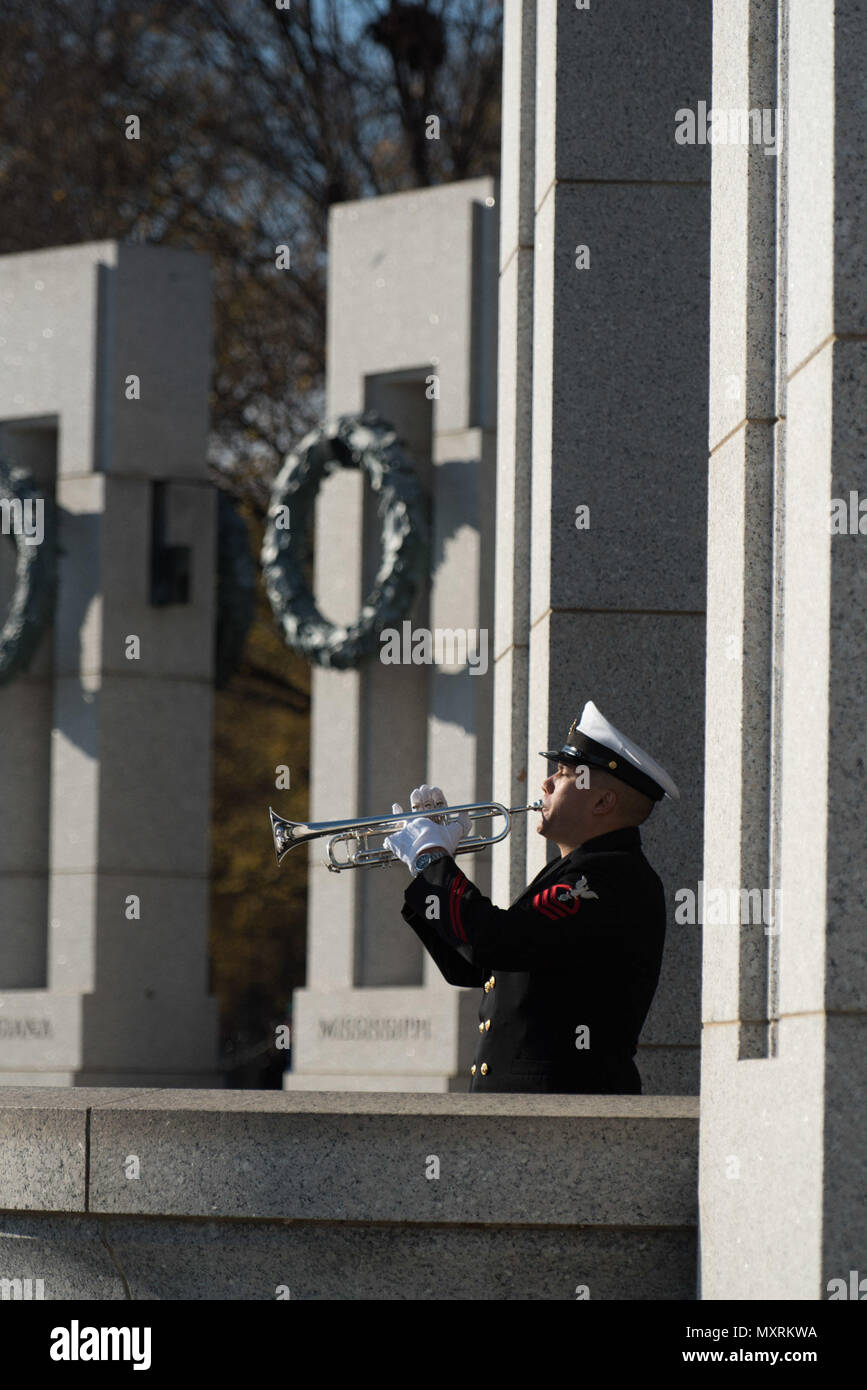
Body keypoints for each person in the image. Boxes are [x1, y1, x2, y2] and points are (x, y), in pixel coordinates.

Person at [383, 700, 679, 1094]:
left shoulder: (606, 876)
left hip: (562, 1111)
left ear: (603, 802)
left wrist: (434, 862)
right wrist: (431, 870)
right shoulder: (581, 870)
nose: (546, 783)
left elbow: (496, 942)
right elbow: (472, 969)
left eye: (564, 774)